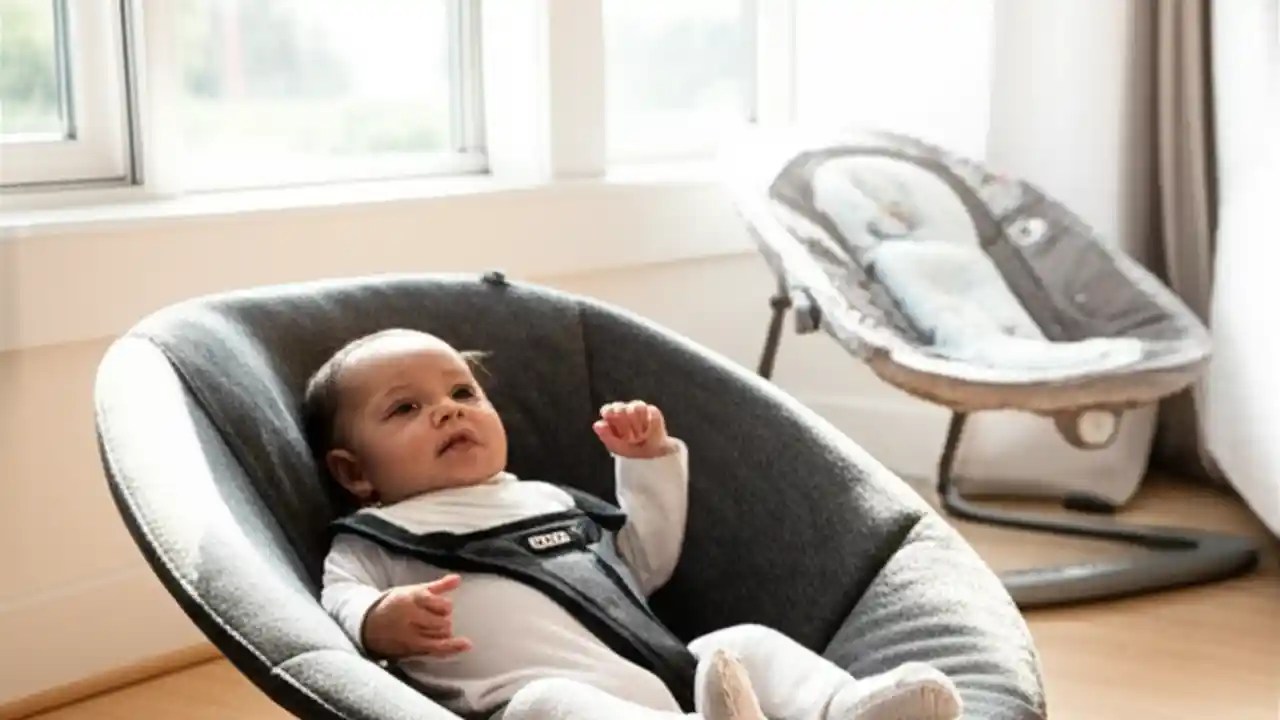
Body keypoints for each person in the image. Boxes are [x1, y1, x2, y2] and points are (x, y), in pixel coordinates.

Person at [304, 328, 962, 720]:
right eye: (406, 409)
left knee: (744, 643)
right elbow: (338, 599)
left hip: (675, 681)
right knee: (548, 702)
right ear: (356, 473)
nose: (447, 412)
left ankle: (848, 710)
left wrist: (645, 464)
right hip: (533, 710)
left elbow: (640, 566)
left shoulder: (548, 500)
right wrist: (379, 619)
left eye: (463, 393)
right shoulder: (376, 538)